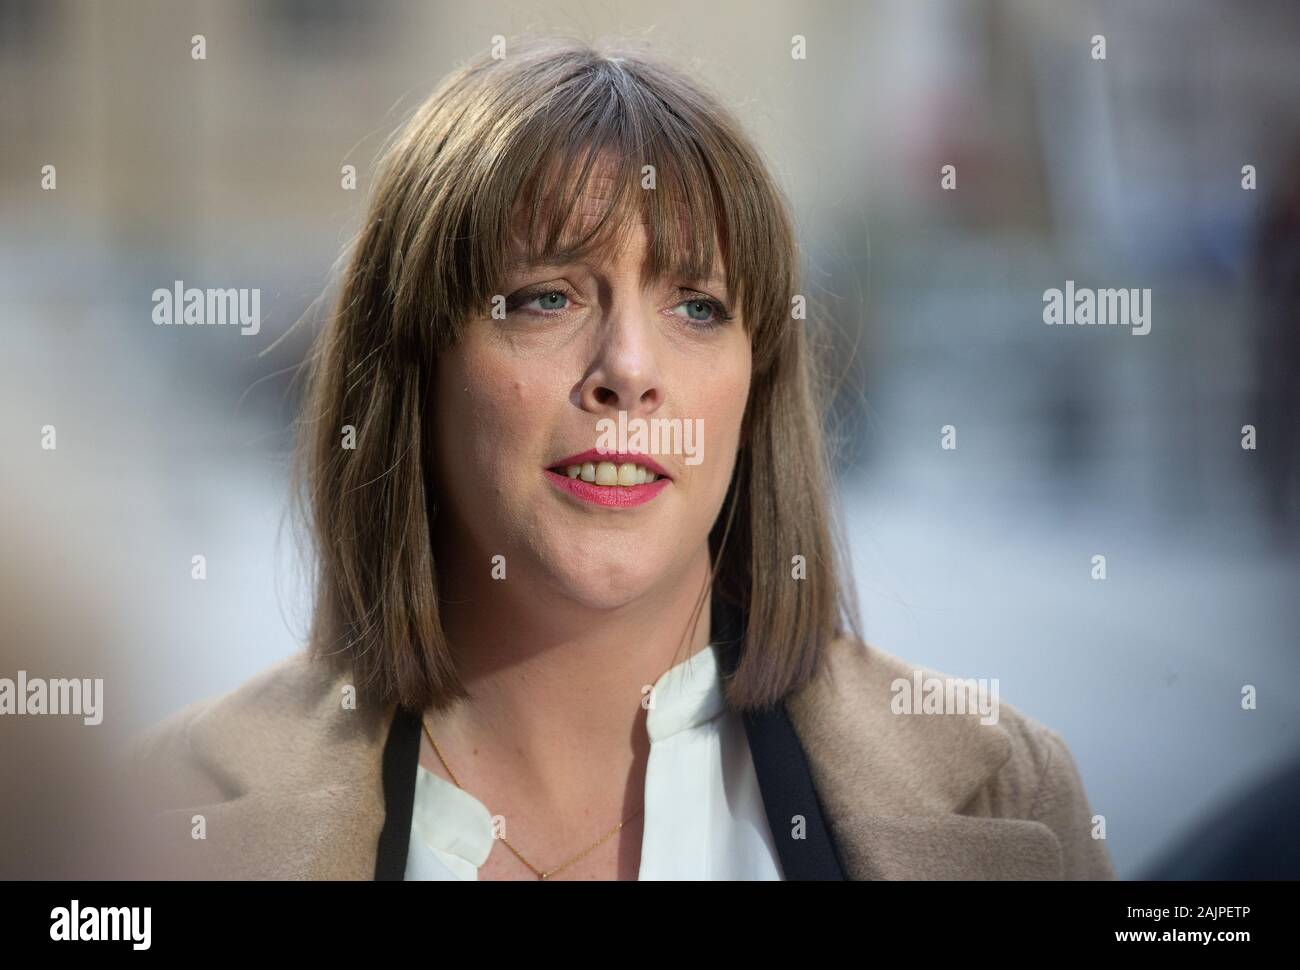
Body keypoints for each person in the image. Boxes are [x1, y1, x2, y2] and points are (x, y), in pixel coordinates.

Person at [116, 35, 1115, 881]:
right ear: (411, 362)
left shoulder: (1004, 790)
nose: (628, 371)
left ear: (755, 384)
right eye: (546, 297)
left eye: (696, 305)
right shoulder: (154, 825)